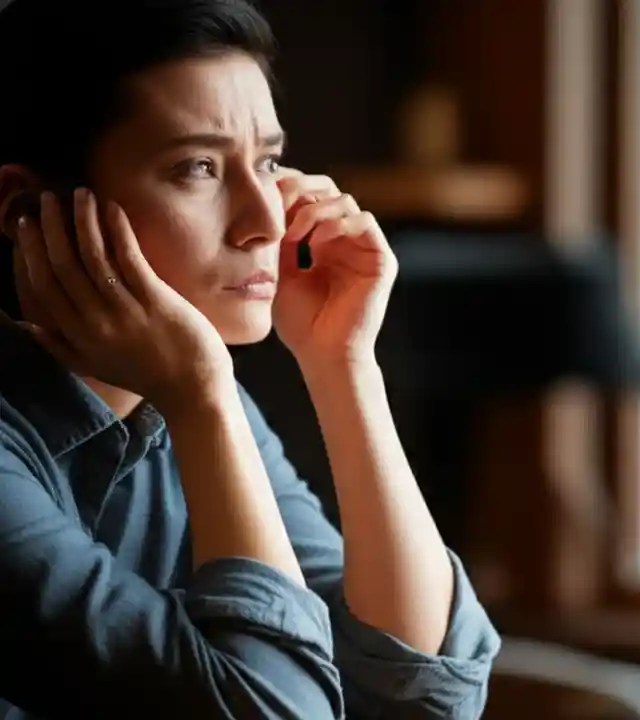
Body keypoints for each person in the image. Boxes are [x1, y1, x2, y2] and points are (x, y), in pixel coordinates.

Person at [0, 0, 500, 717]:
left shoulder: (201, 409)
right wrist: (205, 397)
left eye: (267, 161)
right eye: (197, 167)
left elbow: (423, 698)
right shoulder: (193, 402)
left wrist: (344, 365)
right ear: (24, 210)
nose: (265, 219)